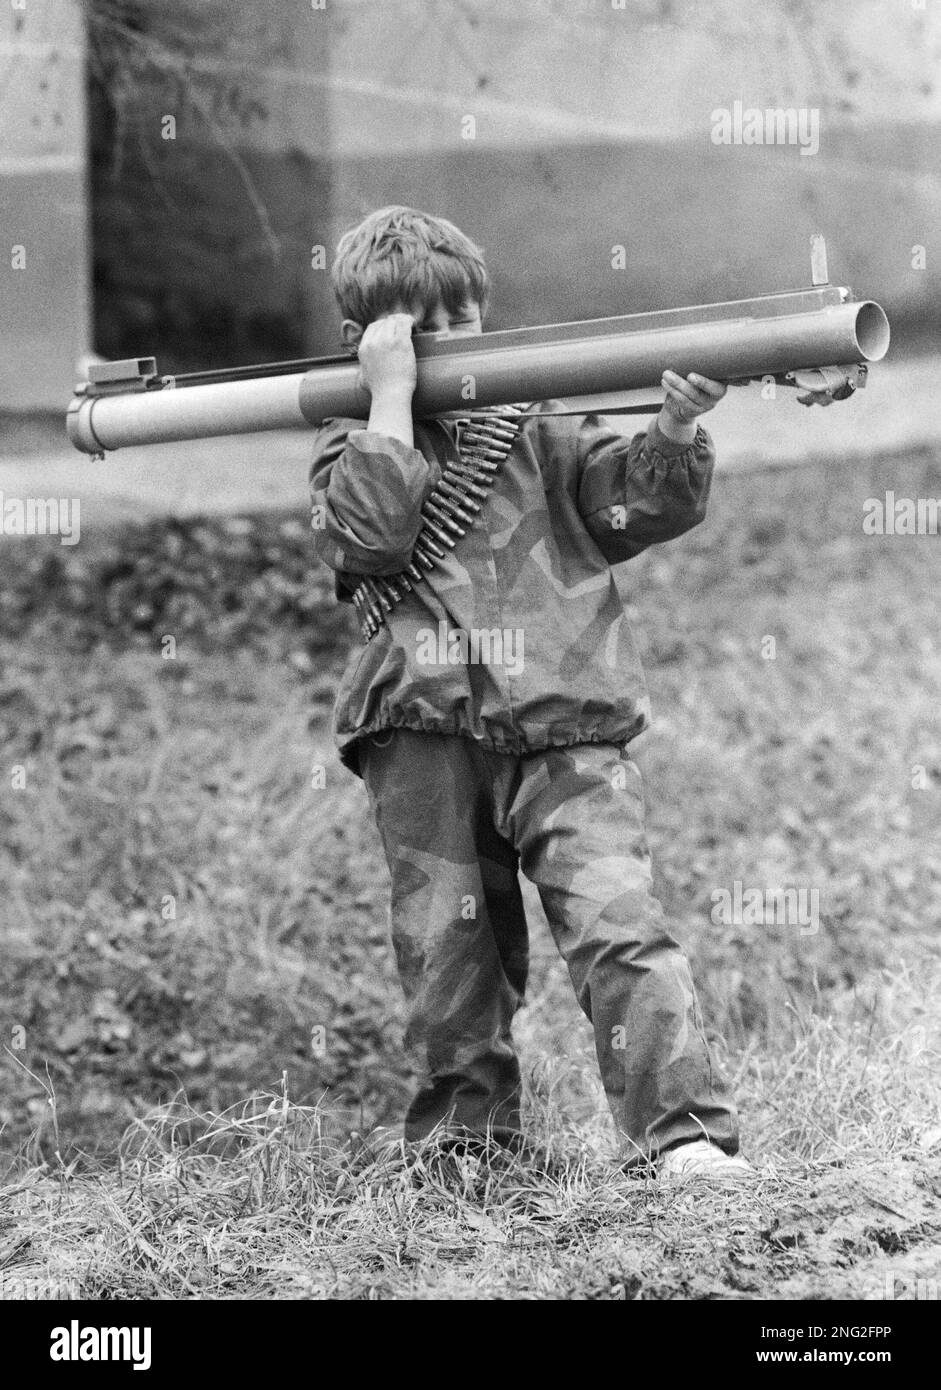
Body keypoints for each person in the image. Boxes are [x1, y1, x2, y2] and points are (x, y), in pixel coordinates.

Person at [309, 205, 754, 1180]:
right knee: (447, 958)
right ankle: (466, 1155)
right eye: (423, 330)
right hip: (420, 732)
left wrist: (673, 423)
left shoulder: (540, 420)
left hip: (564, 722)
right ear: (369, 344)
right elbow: (370, 538)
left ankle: (678, 1135)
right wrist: (389, 402)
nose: (454, 344)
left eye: (466, 318)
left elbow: (632, 504)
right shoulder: (353, 447)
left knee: (618, 923)